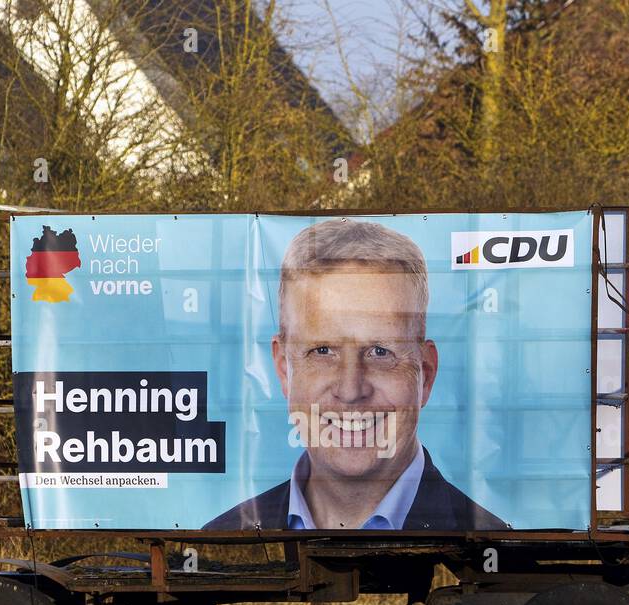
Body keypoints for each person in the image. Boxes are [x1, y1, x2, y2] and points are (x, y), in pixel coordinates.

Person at [204, 218, 506, 531]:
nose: (350, 390)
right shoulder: (220, 545)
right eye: (322, 351)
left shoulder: (495, 550)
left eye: (380, 351)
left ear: (425, 374)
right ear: (284, 368)